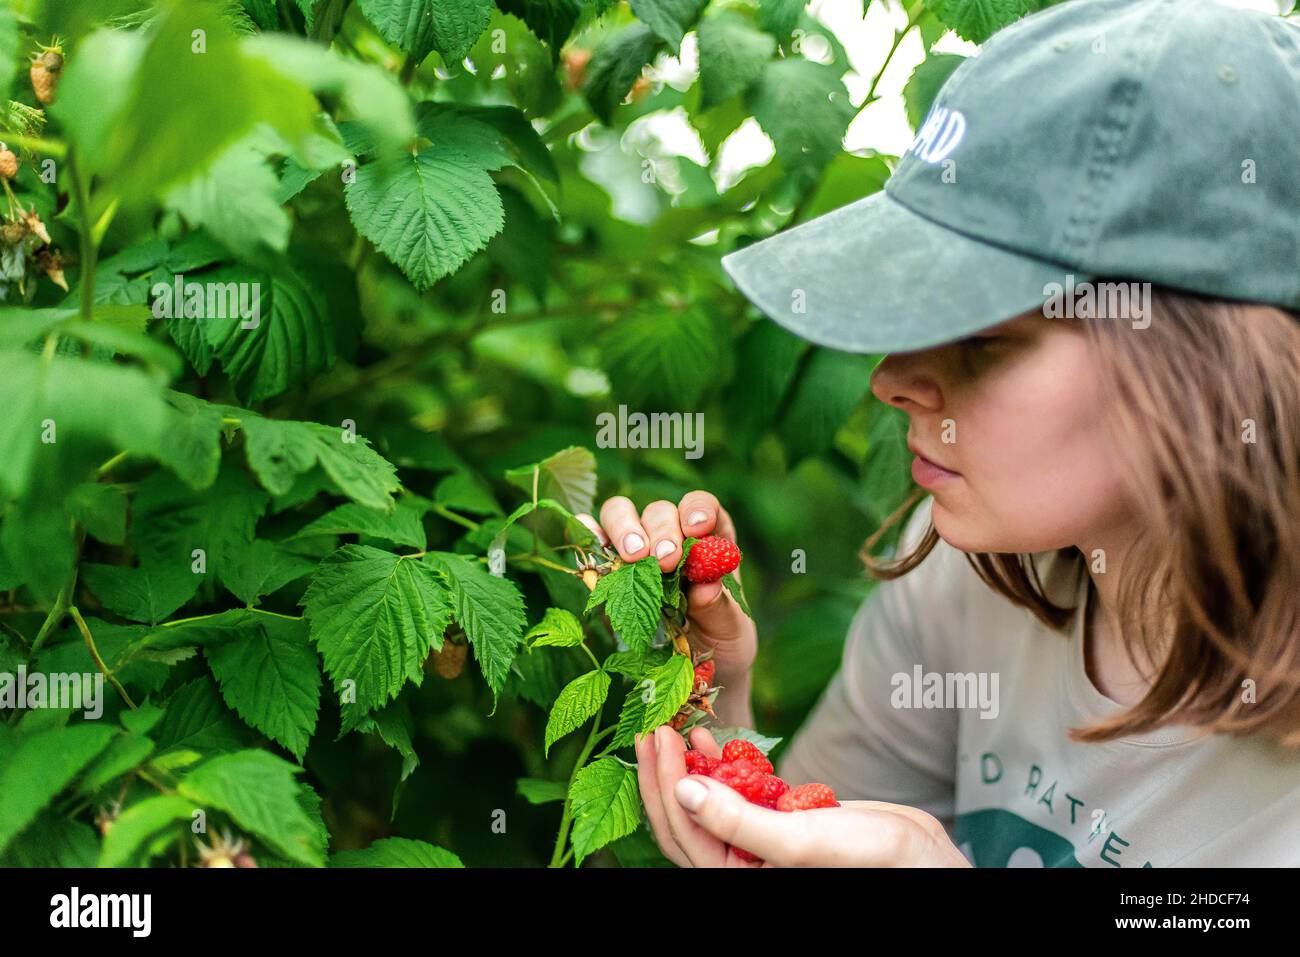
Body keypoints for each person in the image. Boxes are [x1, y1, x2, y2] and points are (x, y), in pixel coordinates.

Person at [575, 0, 1300, 866]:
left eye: (985, 336)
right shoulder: (969, 576)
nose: (889, 380)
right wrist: (708, 717)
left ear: (1202, 364)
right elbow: (822, 834)